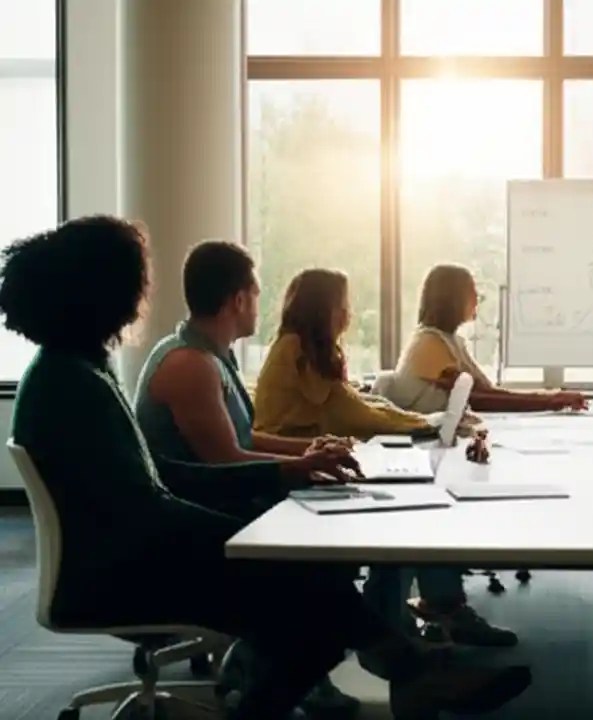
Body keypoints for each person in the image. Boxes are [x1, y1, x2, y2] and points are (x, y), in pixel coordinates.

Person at [0, 216, 530, 720]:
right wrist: (246, 539)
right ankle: (403, 675)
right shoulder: (74, 386)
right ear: (105, 294)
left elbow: (158, 475)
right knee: (309, 600)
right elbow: (149, 502)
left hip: (125, 555)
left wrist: (282, 478)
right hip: (117, 574)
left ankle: (407, 674)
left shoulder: (75, 372)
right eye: (136, 285)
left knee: (309, 597)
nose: (142, 299)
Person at [150, 249, 516, 649]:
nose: (260, 303)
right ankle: (395, 642)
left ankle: (400, 638)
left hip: (238, 493)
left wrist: (312, 450)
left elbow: (244, 438)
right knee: (396, 512)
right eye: (255, 293)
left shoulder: (213, 357)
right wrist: (306, 461)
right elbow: (227, 463)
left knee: (404, 506)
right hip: (218, 513)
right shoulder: (191, 364)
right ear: (239, 300)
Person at [379, 263, 588, 413]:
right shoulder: (428, 344)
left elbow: (485, 390)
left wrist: (551, 398)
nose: (477, 300)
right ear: (453, 299)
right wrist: (550, 400)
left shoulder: (450, 341)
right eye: (472, 293)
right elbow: (478, 398)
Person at [252, 268, 433, 439]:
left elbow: (352, 402)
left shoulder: (297, 343)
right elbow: (352, 412)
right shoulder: (297, 349)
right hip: (288, 456)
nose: (348, 313)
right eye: (342, 305)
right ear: (320, 311)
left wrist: (421, 421)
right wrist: (421, 424)